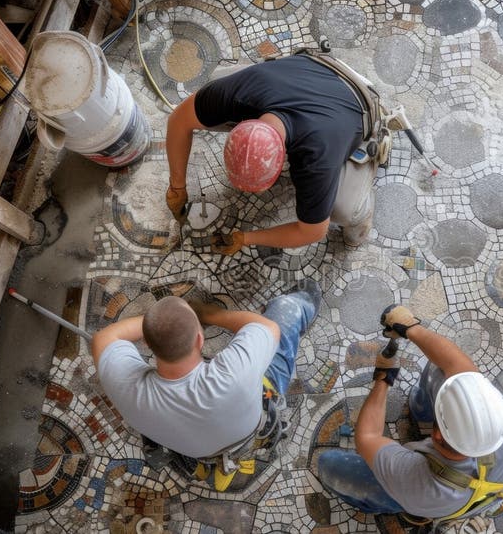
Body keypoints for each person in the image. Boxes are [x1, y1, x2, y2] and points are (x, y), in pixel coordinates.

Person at [317, 305, 503, 523]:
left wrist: (383, 379)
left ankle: (388, 505)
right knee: (442, 371)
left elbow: (368, 437)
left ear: (436, 435)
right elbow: (457, 364)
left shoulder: (419, 483)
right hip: (486, 482)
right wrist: (411, 328)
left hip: (431, 499)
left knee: (329, 465)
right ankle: (421, 410)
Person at [164, 53, 383, 253]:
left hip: (360, 100)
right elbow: (178, 120)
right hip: (315, 67)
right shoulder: (238, 93)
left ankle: (362, 207)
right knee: (215, 86)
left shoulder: (315, 158)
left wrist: (245, 238)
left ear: (282, 163)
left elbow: (313, 231)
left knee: (343, 210)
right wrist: (177, 186)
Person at [89, 282, 319, 471]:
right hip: (253, 430)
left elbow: (103, 338)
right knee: (287, 308)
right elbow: (268, 327)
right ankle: (307, 302)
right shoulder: (233, 373)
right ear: (200, 339)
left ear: (146, 343)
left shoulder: (126, 387)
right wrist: (212, 315)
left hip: (200, 453)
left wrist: (158, 323)